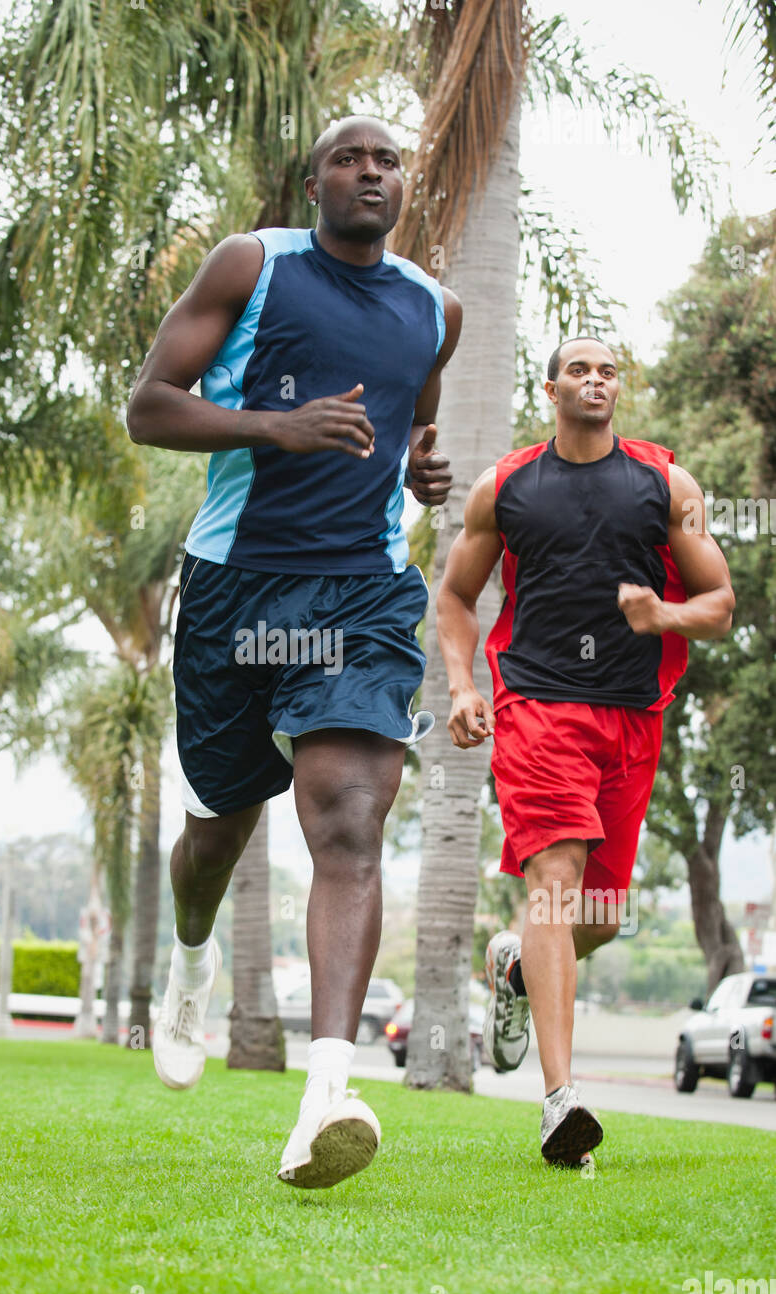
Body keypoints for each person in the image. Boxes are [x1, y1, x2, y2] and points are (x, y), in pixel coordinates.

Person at [127, 115, 462, 1188]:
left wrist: (418, 469)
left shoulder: (430, 308)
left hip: (361, 590)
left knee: (348, 818)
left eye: (388, 160)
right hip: (237, 583)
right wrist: (276, 429)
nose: (372, 172)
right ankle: (190, 962)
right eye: (349, 158)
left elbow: (415, 419)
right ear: (311, 180)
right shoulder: (251, 265)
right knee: (219, 829)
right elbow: (147, 409)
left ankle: (328, 1091)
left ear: (403, 185)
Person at [435, 336, 734, 1166]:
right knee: (555, 884)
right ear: (553, 387)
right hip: (536, 705)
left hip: (633, 715)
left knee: (594, 917)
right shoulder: (508, 487)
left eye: (608, 371)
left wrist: (661, 618)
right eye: (580, 370)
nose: (596, 381)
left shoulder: (665, 485)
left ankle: (515, 967)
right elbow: (457, 598)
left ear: (618, 389)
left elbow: (718, 603)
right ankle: (560, 1104)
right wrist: (464, 685)